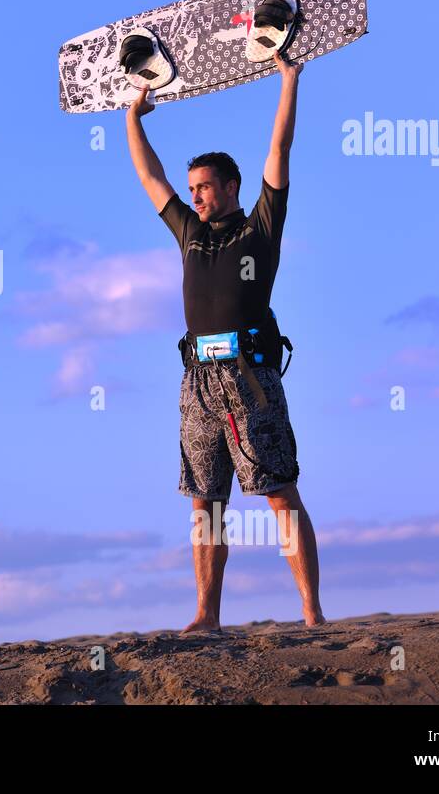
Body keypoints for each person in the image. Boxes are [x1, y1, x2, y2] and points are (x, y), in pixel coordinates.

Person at [125, 50, 325, 631]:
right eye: (193, 188)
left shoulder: (260, 227)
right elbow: (148, 177)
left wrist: (288, 80)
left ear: (232, 187)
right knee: (205, 505)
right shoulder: (188, 232)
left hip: (248, 379)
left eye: (206, 187)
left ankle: (311, 612)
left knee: (278, 492)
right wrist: (134, 117)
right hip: (197, 384)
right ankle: (206, 615)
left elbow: (279, 153)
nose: (196, 196)